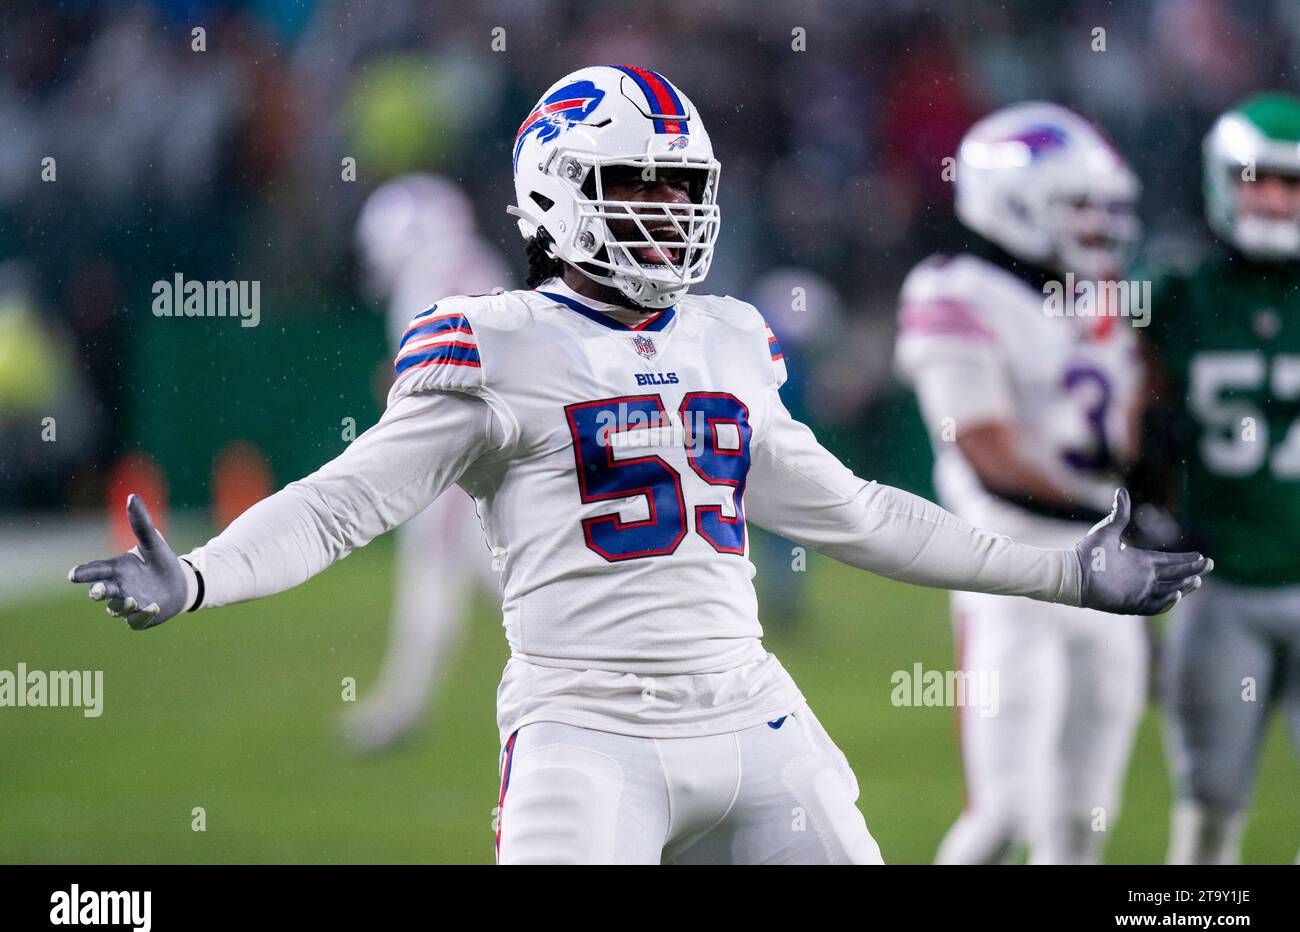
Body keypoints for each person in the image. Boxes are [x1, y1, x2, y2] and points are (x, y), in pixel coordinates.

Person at [69, 66, 1209, 865]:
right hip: (583, 729)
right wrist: (205, 574)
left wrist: (1063, 572)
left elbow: (857, 515)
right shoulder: (498, 342)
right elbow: (338, 507)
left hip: (755, 714)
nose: (669, 216)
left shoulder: (726, 337)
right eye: (637, 189)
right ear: (554, 195)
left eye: (683, 190)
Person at [895, 102, 1151, 864]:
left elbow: (1129, 434)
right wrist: (1127, 514)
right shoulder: (955, 292)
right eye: (1077, 203)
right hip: (1014, 577)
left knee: (1082, 823)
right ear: (1011, 199)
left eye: (1105, 206)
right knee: (1005, 814)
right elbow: (990, 456)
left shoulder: (1100, 295)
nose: (1098, 224)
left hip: (1107, 577)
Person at [1140, 93, 1300, 865]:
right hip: (1219, 582)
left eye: (1289, 183)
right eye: (1255, 178)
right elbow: (1123, 428)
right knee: (1208, 810)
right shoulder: (1178, 295)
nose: (1271, 197)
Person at [344, 173, 513, 754]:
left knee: (450, 568)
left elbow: (447, 375)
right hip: (492, 446)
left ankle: (403, 705)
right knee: (489, 571)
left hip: (459, 452)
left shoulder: (428, 280)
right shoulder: (480, 264)